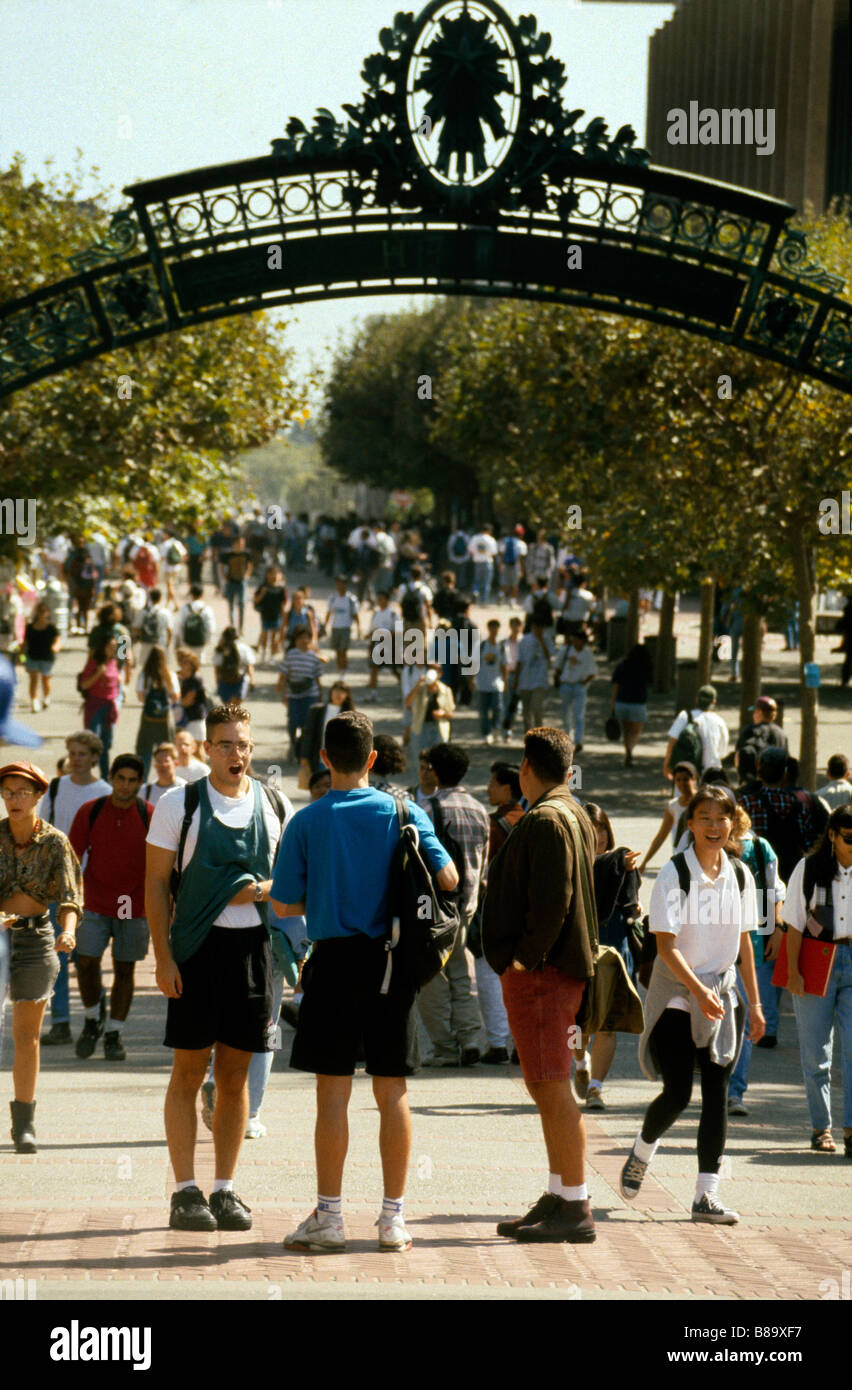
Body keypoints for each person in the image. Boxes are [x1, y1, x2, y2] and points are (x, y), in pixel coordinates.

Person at [270, 711, 458, 1252]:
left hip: (331, 965)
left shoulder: (306, 821)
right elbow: (446, 878)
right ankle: (392, 1219)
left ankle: (329, 1218)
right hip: (392, 965)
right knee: (391, 1090)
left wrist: (328, 893)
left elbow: (283, 901)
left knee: (332, 1094)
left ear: (324, 760)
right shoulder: (404, 811)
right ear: (373, 759)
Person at [144, 703, 289, 1230]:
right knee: (188, 1071)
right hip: (195, 951)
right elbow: (156, 886)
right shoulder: (177, 804)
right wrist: (162, 958)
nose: (237, 754)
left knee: (234, 1075)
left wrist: (268, 893)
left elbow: (294, 879)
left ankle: (225, 1188)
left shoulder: (274, 801)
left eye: (244, 744)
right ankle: (185, 1190)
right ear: (207, 749)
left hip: (254, 951)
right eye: (225, 744)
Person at [620, 786, 764, 1224]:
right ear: (691, 823)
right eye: (704, 818)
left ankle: (706, 1196)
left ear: (732, 823)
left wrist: (755, 1005)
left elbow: (744, 943)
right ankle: (643, 1148)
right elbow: (664, 945)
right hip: (676, 990)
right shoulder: (674, 873)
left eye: (722, 818)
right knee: (679, 1092)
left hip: (721, 990)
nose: (714, 826)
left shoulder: (740, 875)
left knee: (718, 1093)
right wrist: (698, 992)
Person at [482, 728, 599, 1243]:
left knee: (552, 1088)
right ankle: (559, 1193)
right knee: (546, 1085)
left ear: (528, 767)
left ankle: (574, 1204)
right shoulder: (570, 811)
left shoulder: (550, 817)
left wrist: (525, 960)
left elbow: (553, 902)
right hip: (555, 972)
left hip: (546, 975)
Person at [0, 761, 83, 1153]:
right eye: (8, 791)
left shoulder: (54, 842)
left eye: (22, 792)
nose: (14, 799)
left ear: (38, 796)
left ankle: (24, 1124)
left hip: (36, 940)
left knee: (27, 1036)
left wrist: (68, 931)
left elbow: (69, 897)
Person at [68, 754, 152, 1063]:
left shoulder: (149, 815)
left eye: (132, 780)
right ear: (112, 778)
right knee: (86, 961)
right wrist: (69, 899)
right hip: (94, 899)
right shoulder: (91, 811)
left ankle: (114, 1033)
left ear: (140, 783)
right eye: (120, 779)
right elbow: (72, 859)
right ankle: (92, 1019)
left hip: (130, 902)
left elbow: (163, 863)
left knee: (124, 967)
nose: (125, 786)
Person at [781, 804, 852, 1158]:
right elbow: (793, 923)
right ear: (833, 836)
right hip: (816, 960)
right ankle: (821, 1128)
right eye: (849, 839)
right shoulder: (809, 869)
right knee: (816, 1053)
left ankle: (851, 1130)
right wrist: (793, 971)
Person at [417, 742, 489, 1067]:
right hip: (467, 904)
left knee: (431, 976)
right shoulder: (479, 810)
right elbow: (483, 864)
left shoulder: (428, 810)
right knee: (461, 972)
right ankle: (472, 1038)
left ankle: (445, 1047)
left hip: (435, 908)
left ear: (433, 770)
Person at [37, 732, 111, 1046]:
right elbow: (41, 830)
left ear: (95, 757)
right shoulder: (55, 788)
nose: (77, 758)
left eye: (83, 753)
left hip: (90, 886)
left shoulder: (105, 792)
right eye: (73, 753)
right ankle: (62, 1022)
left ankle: (96, 1007)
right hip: (56, 884)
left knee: (86, 958)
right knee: (57, 956)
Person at [576, 804, 642, 1112]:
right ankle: (579, 1063)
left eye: (601, 829)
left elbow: (631, 901)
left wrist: (625, 874)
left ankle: (596, 1087)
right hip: (577, 951)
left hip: (613, 951)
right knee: (577, 1025)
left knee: (606, 1024)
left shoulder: (622, 860)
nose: (597, 836)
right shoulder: (570, 862)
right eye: (589, 829)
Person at [727, 804, 785, 1114]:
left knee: (747, 1016)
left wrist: (775, 929)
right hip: (717, 943)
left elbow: (775, 890)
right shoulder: (707, 849)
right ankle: (721, 1084)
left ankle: (735, 1090)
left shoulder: (761, 848)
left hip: (753, 939)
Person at [473, 761, 524, 1063]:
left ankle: (496, 1042)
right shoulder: (532, 820)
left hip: (496, 909)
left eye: (493, 783)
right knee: (524, 978)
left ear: (507, 788)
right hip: (527, 911)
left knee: (489, 974)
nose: (488, 788)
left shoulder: (492, 824)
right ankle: (520, 1043)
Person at [738, 746, 822, 884]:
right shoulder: (799, 806)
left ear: (759, 772)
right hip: (791, 879)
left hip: (758, 879)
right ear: (785, 774)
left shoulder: (747, 804)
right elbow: (808, 844)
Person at [277, 627, 328, 762]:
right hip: (293, 695)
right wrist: (283, 693)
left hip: (310, 695)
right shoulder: (290, 655)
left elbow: (317, 678)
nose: (304, 641)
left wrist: (320, 695)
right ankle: (293, 745)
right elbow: (283, 675)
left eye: (307, 638)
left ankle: (303, 751)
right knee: (293, 723)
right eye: (300, 638)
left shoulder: (314, 657)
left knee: (307, 725)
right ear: (296, 640)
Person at [640, 762, 698, 872]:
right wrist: (645, 862)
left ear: (694, 779)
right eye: (678, 780)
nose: (682, 784)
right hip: (680, 855)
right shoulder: (673, 806)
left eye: (686, 779)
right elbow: (661, 836)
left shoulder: (702, 801)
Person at [663, 684, 729, 781]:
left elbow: (672, 742)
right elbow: (722, 752)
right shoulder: (720, 722)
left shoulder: (685, 716)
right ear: (714, 702)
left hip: (687, 773)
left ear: (697, 699)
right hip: (711, 774)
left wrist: (666, 765)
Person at [78, 634, 121, 778]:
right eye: (110, 646)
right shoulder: (95, 662)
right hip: (95, 705)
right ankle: (86, 774)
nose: (113, 649)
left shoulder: (114, 661)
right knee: (91, 742)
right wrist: (98, 674)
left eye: (115, 647)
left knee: (106, 744)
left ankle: (105, 776)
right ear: (103, 648)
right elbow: (84, 684)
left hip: (109, 706)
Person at [135, 645, 179, 778]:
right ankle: (165, 776)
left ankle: (143, 778)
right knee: (166, 750)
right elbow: (176, 697)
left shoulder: (145, 675)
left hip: (148, 718)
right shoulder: (169, 675)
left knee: (145, 750)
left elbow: (140, 697)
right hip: (165, 719)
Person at [299, 680, 355, 780]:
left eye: (342, 692)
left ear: (347, 695)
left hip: (339, 761)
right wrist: (304, 756)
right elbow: (308, 734)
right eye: (336, 691)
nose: (339, 695)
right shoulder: (317, 710)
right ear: (331, 693)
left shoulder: (350, 715)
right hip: (318, 758)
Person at [611, 643, 653, 767]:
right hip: (638, 703)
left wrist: (613, 705)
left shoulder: (622, 666)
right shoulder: (646, 667)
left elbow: (616, 687)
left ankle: (627, 749)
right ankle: (630, 749)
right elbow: (650, 683)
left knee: (626, 730)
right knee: (636, 731)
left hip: (622, 702)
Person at [554, 628, 595, 754]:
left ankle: (579, 741)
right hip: (566, 684)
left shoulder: (587, 654)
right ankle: (567, 738)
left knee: (579, 714)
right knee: (566, 713)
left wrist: (585, 682)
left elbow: (593, 671)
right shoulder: (566, 650)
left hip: (579, 685)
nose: (575, 642)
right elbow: (557, 666)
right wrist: (560, 679)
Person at [512, 619, 554, 733]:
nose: (537, 630)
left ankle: (539, 734)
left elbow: (548, 657)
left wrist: (541, 640)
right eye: (536, 627)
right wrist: (516, 680)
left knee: (537, 708)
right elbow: (519, 661)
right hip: (525, 680)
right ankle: (529, 736)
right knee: (526, 712)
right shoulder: (525, 640)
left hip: (540, 680)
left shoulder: (547, 639)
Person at [405, 664, 455, 756]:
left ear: (440, 674)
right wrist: (418, 684)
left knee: (439, 757)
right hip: (421, 727)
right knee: (420, 757)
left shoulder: (445, 690)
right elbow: (408, 702)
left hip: (438, 728)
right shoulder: (420, 688)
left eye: (435, 671)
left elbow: (451, 713)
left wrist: (443, 714)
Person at [23, 600, 61, 713]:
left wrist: (55, 647)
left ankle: (46, 697)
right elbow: (25, 644)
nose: (42, 614)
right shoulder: (30, 627)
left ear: (48, 613)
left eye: (44, 612)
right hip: (32, 656)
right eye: (40, 611)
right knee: (34, 679)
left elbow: (57, 641)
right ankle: (34, 701)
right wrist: (21, 658)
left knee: (45, 679)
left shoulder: (51, 628)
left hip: (47, 657)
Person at [365, 591, 402, 703]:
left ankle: (404, 691)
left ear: (387, 600)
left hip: (391, 647)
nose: (379, 601)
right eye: (378, 599)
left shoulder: (393, 614)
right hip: (378, 647)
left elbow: (399, 631)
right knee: (374, 669)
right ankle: (373, 694)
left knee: (396, 671)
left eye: (381, 599)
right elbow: (372, 630)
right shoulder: (376, 614)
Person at [734, 696, 788, 771]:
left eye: (754, 712)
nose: (753, 715)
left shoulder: (750, 731)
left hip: (754, 779)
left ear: (760, 712)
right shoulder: (781, 734)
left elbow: (738, 758)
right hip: (775, 779)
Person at [475, 619, 507, 745]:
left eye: (496, 628)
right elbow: (475, 663)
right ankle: (486, 733)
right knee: (483, 711)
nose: (494, 631)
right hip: (483, 683)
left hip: (496, 684)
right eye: (492, 628)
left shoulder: (501, 647)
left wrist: (506, 682)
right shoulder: (482, 646)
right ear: (488, 629)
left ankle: (496, 730)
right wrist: (472, 680)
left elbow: (504, 666)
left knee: (498, 709)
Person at [322, 576, 360, 672]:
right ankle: (339, 668)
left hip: (346, 627)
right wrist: (325, 626)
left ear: (345, 584)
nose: (339, 586)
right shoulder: (333, 598)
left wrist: (358, 628)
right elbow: (329, 613)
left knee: (343, 649)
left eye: (342, 583)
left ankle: (344, 668)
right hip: (335, 627)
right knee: (338, 650)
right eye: (337, 583)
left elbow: (355, 614)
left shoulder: (351, 599)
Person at [253, 564, 288, 661]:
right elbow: (256, 600)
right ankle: (263, 653)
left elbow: (284, 603)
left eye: (276, 574)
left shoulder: (281, 589)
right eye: (271, 573)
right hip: (265, 614)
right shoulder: (263, 587)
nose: (274, 576)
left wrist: (284, 615)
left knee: (274, 637)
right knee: (264, 634)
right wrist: (262, 593)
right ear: (267, 575)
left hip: (277, 615)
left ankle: (272, 655)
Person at [213, 626, 255, 704]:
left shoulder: (220, 649)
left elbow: (217, 668)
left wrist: (218, 683)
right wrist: (252, 681)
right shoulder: (244, 648)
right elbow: (249, 665)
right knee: (236, 707)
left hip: (224, 680)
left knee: (227, 707)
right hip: (240, 680)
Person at [174, 584, 216, 663]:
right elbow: (211, 627)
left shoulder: (184, 608)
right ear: (202, 594)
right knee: (198, 665)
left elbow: (178, 626)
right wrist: (207, 640)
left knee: (187, 664)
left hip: (186, 641)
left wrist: (179, 642)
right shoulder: (207, 609)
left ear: (191, 594)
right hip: (200, 642)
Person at [134, 587, 173, 671]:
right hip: (160, 643)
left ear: (150, 598)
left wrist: (142, 636)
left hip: (146, 643)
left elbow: (135, 627)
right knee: (161, 667)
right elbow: (170, 631)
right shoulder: (165, 612)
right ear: (160, 598)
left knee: (146, 667)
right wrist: (167, 643)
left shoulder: (143, 612)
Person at [174, 647, 208, 744]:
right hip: (180, 719)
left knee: (197, 749)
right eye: (179, 660)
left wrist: (173, 698)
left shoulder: (195, 679)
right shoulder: (178, 676)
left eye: (185, 661)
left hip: (195, 718)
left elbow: (187, 702)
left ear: (192, 663)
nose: (181, 663)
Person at [220, 534, 252, 633]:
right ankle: (232, 626)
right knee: (231, 604)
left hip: (241, 582)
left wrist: (246, 576)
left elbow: (250, 566)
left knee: (242, 604)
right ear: (234, 544)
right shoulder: (227, 555)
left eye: (242, 544)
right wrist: (225, 578)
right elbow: (222, 568)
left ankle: (241, 627)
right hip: (231, 581)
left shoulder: (246, 555)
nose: (240, 546)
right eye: (238, 544)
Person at [500, 615, 524, 737]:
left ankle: (509, 724)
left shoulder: (524, 642)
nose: (516, 628)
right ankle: (507, 729)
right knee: (508, 702)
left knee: (518, 705)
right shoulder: (504, 643)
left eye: (518, 626)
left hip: (522, 675)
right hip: (509, 674)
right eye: (513, 625)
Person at [142, 743, 181, 808]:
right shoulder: (145, 791)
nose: (162, 765)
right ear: (155, 765)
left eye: (166, 761)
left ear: (175, 763)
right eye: (159, 761)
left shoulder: (184, 788)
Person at [468, 525, 498, 604]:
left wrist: (477, 555)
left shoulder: (475, 538)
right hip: (487, 562)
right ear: (489, 531)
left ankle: (475, 592)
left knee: (477, 580)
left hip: (477, 562)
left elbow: (470, 550)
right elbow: (494, 553)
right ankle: (484, 600)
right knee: (486, 582)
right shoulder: (491, 540)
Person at [498, 527, 527, 602]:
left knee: (504, 582)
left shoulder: (506, 541)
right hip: (516, 565)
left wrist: (500, 565)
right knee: (515, 584)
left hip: (505, 564)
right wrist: (522, 570)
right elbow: (521, 558)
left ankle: (501, 595)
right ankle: (512, 600)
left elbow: (501, 554)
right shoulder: (521, 544)